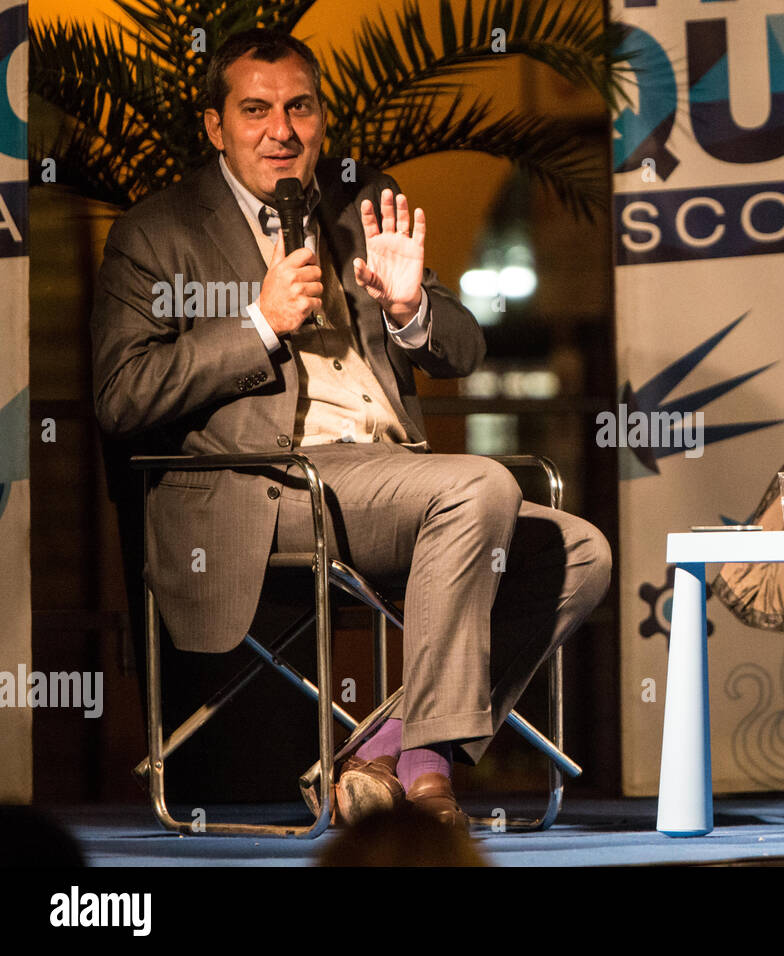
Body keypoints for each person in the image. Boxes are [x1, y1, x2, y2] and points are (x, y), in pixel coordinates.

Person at [90, 30, 611, 832]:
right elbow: (122, 397)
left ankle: (382, 751)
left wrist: (411, 310)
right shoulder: (158, 233)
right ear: (214, 126)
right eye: (255, 109)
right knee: (475, 487)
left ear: (322, 116)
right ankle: (430, 773)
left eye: (300, 106)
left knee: (581, 551)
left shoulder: (362, 201)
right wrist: (257, 322)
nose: (282, 130)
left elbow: (465, 349)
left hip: (390, 475)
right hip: (269, 484)